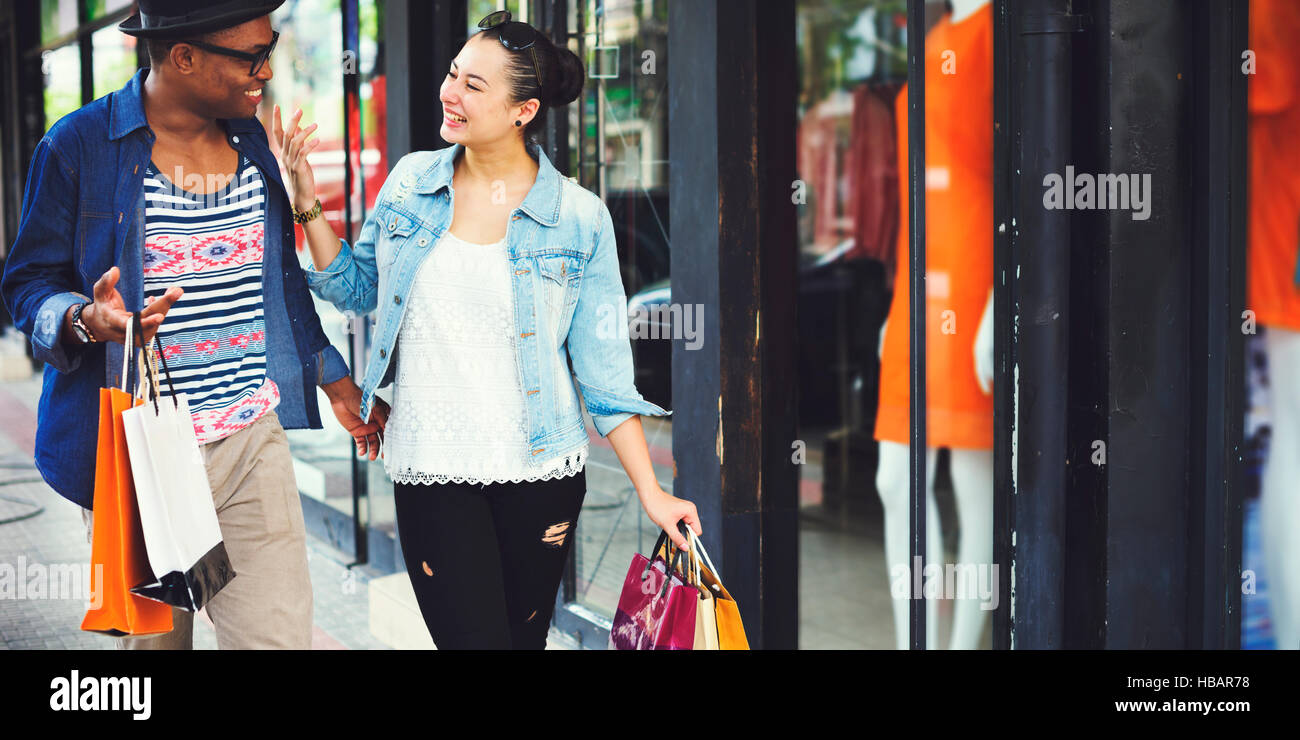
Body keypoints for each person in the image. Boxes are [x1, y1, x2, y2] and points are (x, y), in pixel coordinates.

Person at [278, 10, 700, 649]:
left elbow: (606, 380)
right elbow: (354, 290)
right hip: (430, 467)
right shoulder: (410, 186)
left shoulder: (577, 219)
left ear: (523, 109)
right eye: (453, 74)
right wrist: (305, 196)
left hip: (541, 475)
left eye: (475, 85)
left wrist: (653, 494)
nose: (450, 92)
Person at [0, 0, 384, 649]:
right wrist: (85, 319)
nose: (266, 69)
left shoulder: (250, 137)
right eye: (252, 55)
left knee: (278, 640)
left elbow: (279, 284)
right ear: (183, 56)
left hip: (250, 438)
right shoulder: (78, 147)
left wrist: (334, 378)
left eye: (271, 48)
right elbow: (26, 284)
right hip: (142, 451)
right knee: (157, 648)